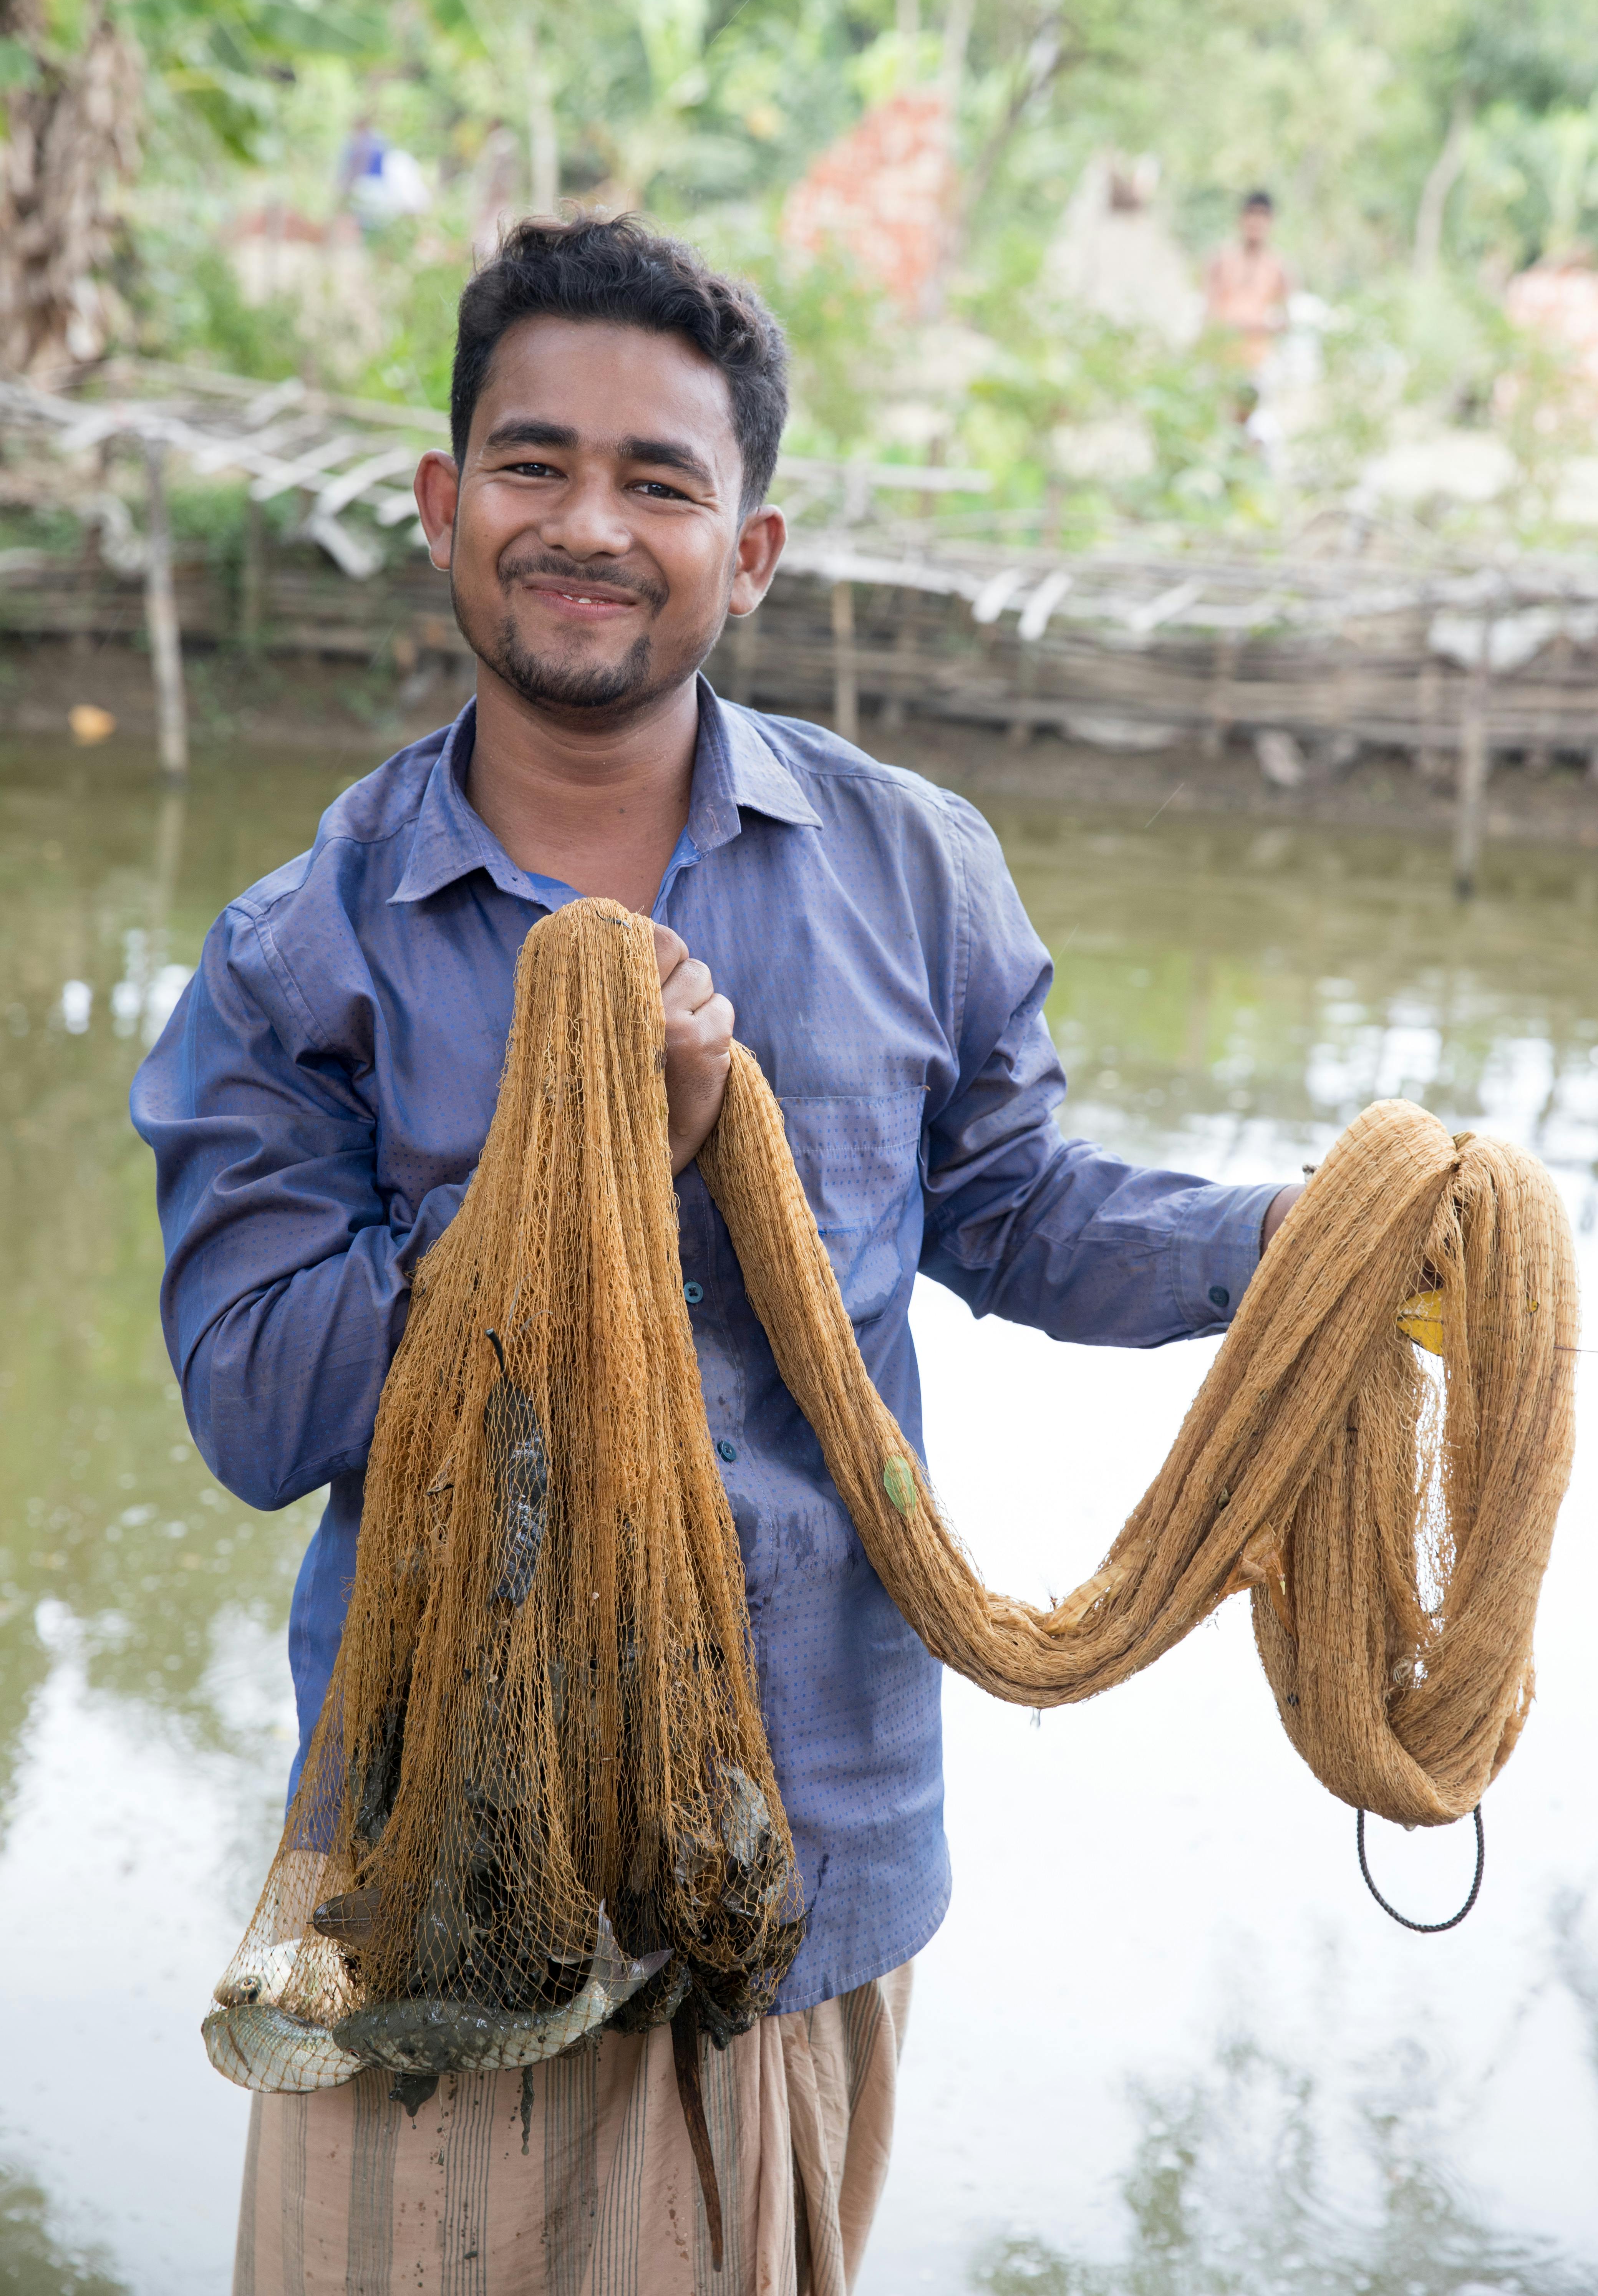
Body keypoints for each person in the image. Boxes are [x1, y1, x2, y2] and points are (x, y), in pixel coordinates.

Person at [132, 214, 1298, 2296]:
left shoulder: (909, 866)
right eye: (535, 462)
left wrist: (1322, 1245)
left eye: (660, 481)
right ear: (442, 507)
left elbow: (1020, 1209)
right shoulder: (296, 952)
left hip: (809, 1832)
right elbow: (256, 1404)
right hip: (438, 1863)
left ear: (747, 550)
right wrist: (559, 1166)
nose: (590, 523)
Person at [1203, 188, 1292, 376]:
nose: (1256, 221)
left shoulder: (1280, 268)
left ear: (1271, 222)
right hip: (1220, 360)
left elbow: (1285, 322)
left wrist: (1255, 328)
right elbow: (1209, 313)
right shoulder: (1220, 260)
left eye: (1263, 216)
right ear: (1241, 218)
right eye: (1251, 214)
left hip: (1258, 364)